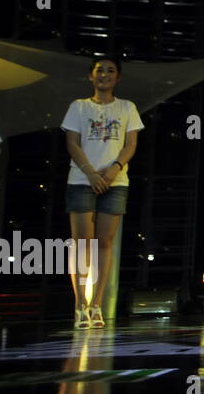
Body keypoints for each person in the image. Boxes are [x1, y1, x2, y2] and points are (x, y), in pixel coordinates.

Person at [61, 55, 144, 329]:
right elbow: (72, 142)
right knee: (82, 244)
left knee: (104, 244)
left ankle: (96, 304)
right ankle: (79, 306)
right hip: (82, 179)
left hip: (115, 182)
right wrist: (91, 172)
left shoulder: (127, 107)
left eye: (110, 71)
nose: (104, 75)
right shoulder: (79, 107)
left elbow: (130, 144)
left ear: (117, 77)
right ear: (91, 76)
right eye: (100, 70)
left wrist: (114, 169)